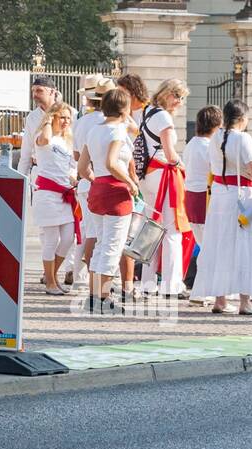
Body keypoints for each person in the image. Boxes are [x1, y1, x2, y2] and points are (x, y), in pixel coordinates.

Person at [195, 98, 252, 316]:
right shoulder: (243, 139)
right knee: (244, 245)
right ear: (243, 119)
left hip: (219, 194)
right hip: (240, 195)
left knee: (220, 244)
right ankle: (245, 301)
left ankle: (220, 299)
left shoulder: (216, 136)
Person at [77, 87, 138, 312]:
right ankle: (103, 297)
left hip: (98, 188)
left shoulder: (93, 130)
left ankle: (93, 296)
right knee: (113, 245)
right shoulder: (119, 131)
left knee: (102, 243)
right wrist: (130, 183)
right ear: (125, 109)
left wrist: (97, 180)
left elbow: (82, 167)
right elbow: (113, 163)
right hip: (116, 192)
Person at [136, 79, 190, 298]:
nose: (179, 102)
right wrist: (183, 166)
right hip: (164, 174)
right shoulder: (164, 117)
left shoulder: (147, 112)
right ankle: (171, 284)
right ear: (168, 94)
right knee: (172, 231)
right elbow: (170, 154)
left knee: (152, 228)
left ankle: (148, 283)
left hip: (148, 175)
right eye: (177, 96)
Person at [72, 76, 115, 290]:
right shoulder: (106, 123)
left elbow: (77, 155)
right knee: (103, 236)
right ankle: (98, 281)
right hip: (103, 180)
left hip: (86, 181)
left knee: (90, 232)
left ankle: (88, 279)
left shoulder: (80, 122)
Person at [31, 102, 79, 296]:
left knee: (68, 238)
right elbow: (45, 138)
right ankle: (50, 282)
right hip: (47, 195)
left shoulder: (68, 141)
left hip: (64, 195)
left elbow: (71, 168)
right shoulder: (43, 137)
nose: (66, 121)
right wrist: (49, 122)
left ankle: (51, 275)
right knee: (51, 240)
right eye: (62, 117)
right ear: (52, 118)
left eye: (68, 118)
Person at [114, 74, 149, 302]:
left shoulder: (140, 114)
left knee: (121, 237)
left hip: (132, 178)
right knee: (125, 237)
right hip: (126, 181)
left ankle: (122, 285)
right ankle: (126, 285)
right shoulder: (123, 120)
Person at [182, 105, 220, 301]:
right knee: (210, 247)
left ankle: (201, 288)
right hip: (204, 197)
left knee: (203, 245)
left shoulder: (191, 144)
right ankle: (205, 290)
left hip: (190, 196)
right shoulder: (209, 146)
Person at [16, 76, 60, 183]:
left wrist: (72, 173)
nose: (35, 94)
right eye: (33, 91)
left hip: (62, 173)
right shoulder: (32, 117)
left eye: (39, 90)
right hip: (40, 174)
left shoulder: (68, 113)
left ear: (52, 92)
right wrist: (19, 181)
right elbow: (26, 152)